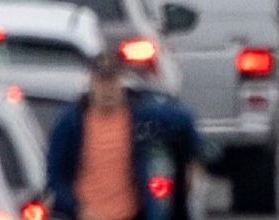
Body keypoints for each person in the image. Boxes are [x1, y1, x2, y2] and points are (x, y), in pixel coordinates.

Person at [47, 45, 204, 220]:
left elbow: (185, 119)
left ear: (121, 81)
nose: (107, 90)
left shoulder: (142, 116)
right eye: (101, 82)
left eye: (112, 81)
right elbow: (55, 176)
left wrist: (192, 159)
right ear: (91, 82)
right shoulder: (70, 123)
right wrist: (77, 208)